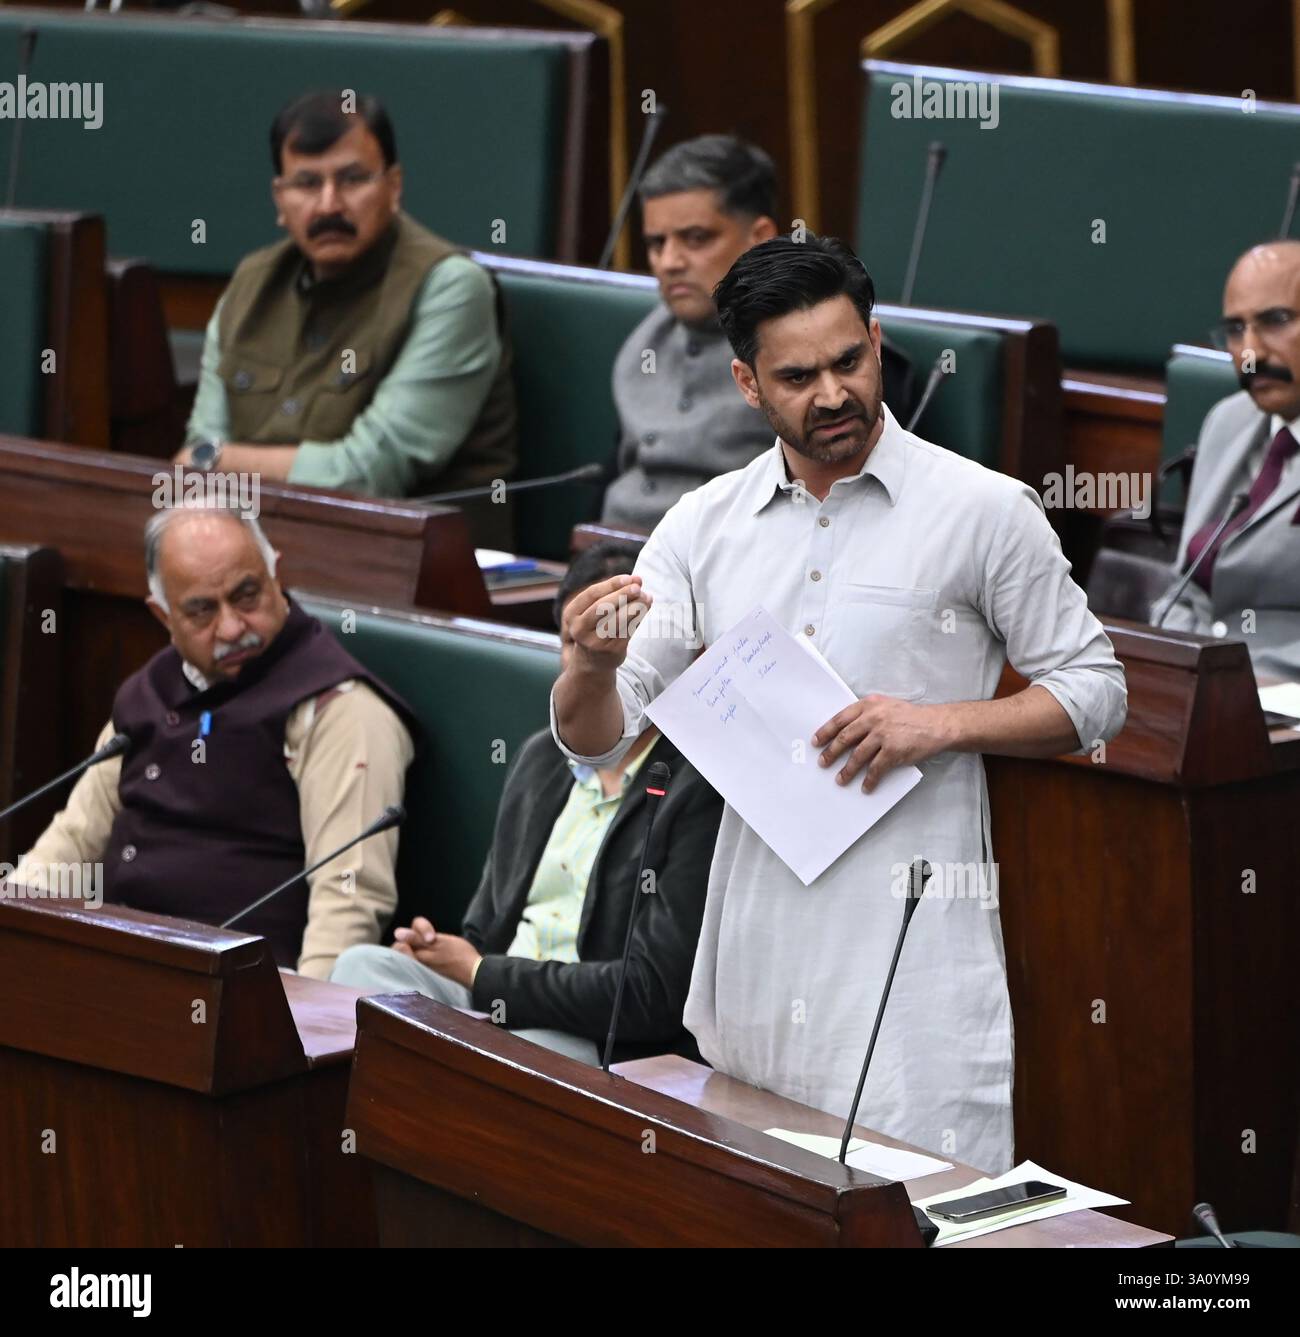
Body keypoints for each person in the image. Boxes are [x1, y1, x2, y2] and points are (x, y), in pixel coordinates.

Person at [553, 236, 1127, 1171]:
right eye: (796, 375)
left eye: (849, 361)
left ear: (876, 337)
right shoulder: (702, 525)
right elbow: (600, 738)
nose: (832, 394)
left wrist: (941, 723)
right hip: (752, 957)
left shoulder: (984, 509)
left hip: (913, 965)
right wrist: (585, 665)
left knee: (919, 1217)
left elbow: (1097, 692)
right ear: (747, 383)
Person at [331, 543, 723, 1065]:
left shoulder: (698, 784)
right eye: (577, 642)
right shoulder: (543, 756)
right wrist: (440, 952)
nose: (602, 660)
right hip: (489, 1008)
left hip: (590, 1040)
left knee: (511, 1064)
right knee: (362, 970)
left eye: (622, 642)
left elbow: (651, 994)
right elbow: (485, 931)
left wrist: (479, 972)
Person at [13, 500, 415, 979]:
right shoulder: (148, 692)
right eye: (201, 611)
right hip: (114, 967)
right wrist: (12, 928)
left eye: (247, 596)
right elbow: (70, 844)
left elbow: (348, 902)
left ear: (275, 576)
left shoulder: (339, 710)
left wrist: (308, 1033)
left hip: (241, 999)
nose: (231, 627)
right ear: (163, 617)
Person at [181, 90, 517, 544]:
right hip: (260, 549)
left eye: (352, 179)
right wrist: (210, 462)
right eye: (306, 184)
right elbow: (199, 459)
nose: (328, 205)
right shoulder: (250, 283)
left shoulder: (450, 287)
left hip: (412, 571)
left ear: (394, 187)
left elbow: (364, 477)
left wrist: (217, 461)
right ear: (279, 199)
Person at [600, 135, 918, 532]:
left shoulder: (838, 355)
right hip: (616, 558)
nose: (669, 262)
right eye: (656, 243)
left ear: (760, 234)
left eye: (696, 238)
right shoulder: (642, 342)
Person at [1152, 240, 1300, 678]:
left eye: (1275, 321)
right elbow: (1183, 587)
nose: (1251, 352)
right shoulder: (1229, 421)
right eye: (1236, 330)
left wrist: (1230, 679)